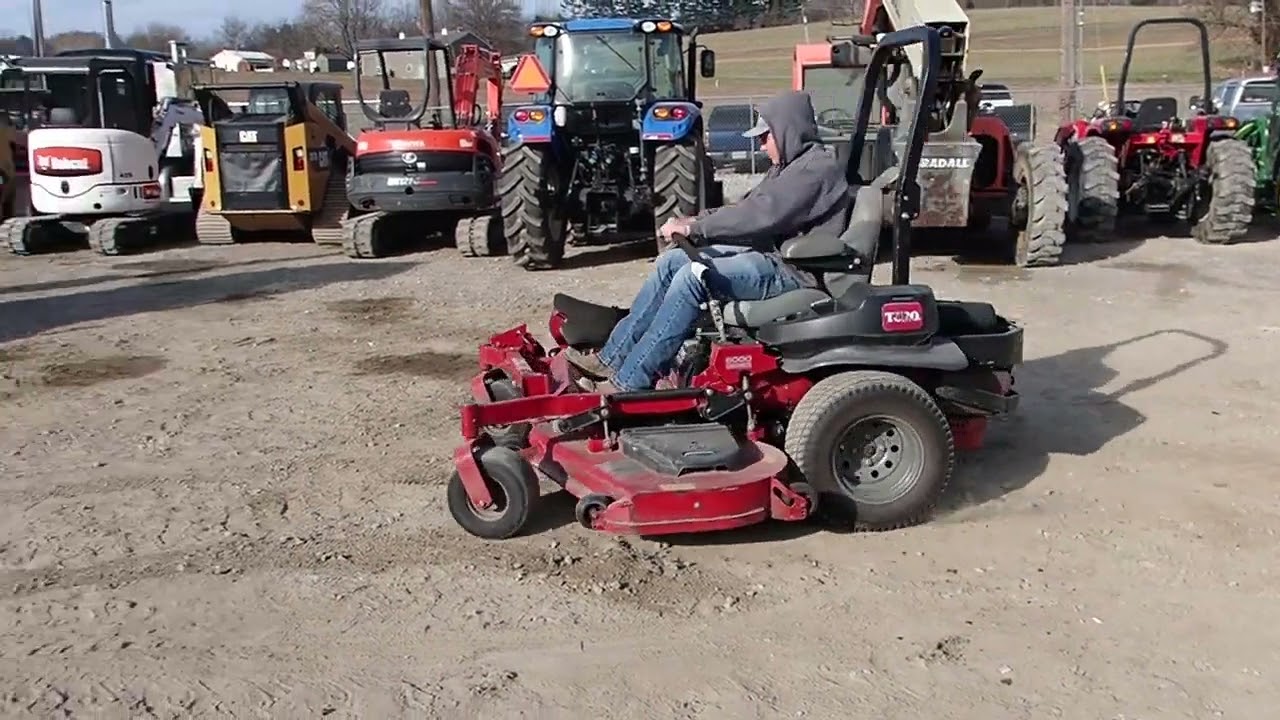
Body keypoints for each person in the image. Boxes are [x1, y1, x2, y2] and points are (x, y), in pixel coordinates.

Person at [566, 90, 852, 392]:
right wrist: (696, 221)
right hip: (771, 256)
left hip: (793, 271)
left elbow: (760, 215)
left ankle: (631, 381)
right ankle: (613, 358)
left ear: (787, 129)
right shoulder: (789, 168)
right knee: (672, 262)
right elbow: (746, 205)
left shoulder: (814, 171)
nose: (760, 143)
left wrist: (697, 230)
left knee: (693, 278)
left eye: (765, 136)